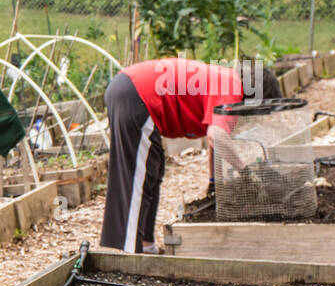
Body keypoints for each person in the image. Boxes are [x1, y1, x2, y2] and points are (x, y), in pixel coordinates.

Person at [99, 57, 282, 254]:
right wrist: (247, 173)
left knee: (152, 170)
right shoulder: (231, 88)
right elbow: (217, 137)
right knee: (139, 177)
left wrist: (213, 182)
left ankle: (146, 245)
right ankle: (130, 255)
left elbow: (216, 140)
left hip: (130, 91)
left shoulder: (226, 81)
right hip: (136, 94)